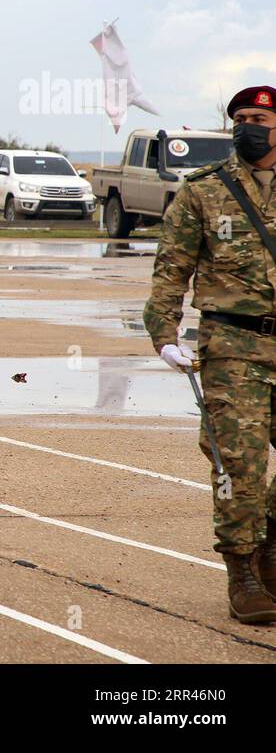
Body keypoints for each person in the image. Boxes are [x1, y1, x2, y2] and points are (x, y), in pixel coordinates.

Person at [144, 85, 276, 624]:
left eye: (261, 118)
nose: (251, 125)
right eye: (242, 117)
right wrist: (165, 334)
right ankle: (242, 572)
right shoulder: (204, 190)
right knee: (239, 465)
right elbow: (170, 268)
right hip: (233, 345)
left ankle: (269, 544)